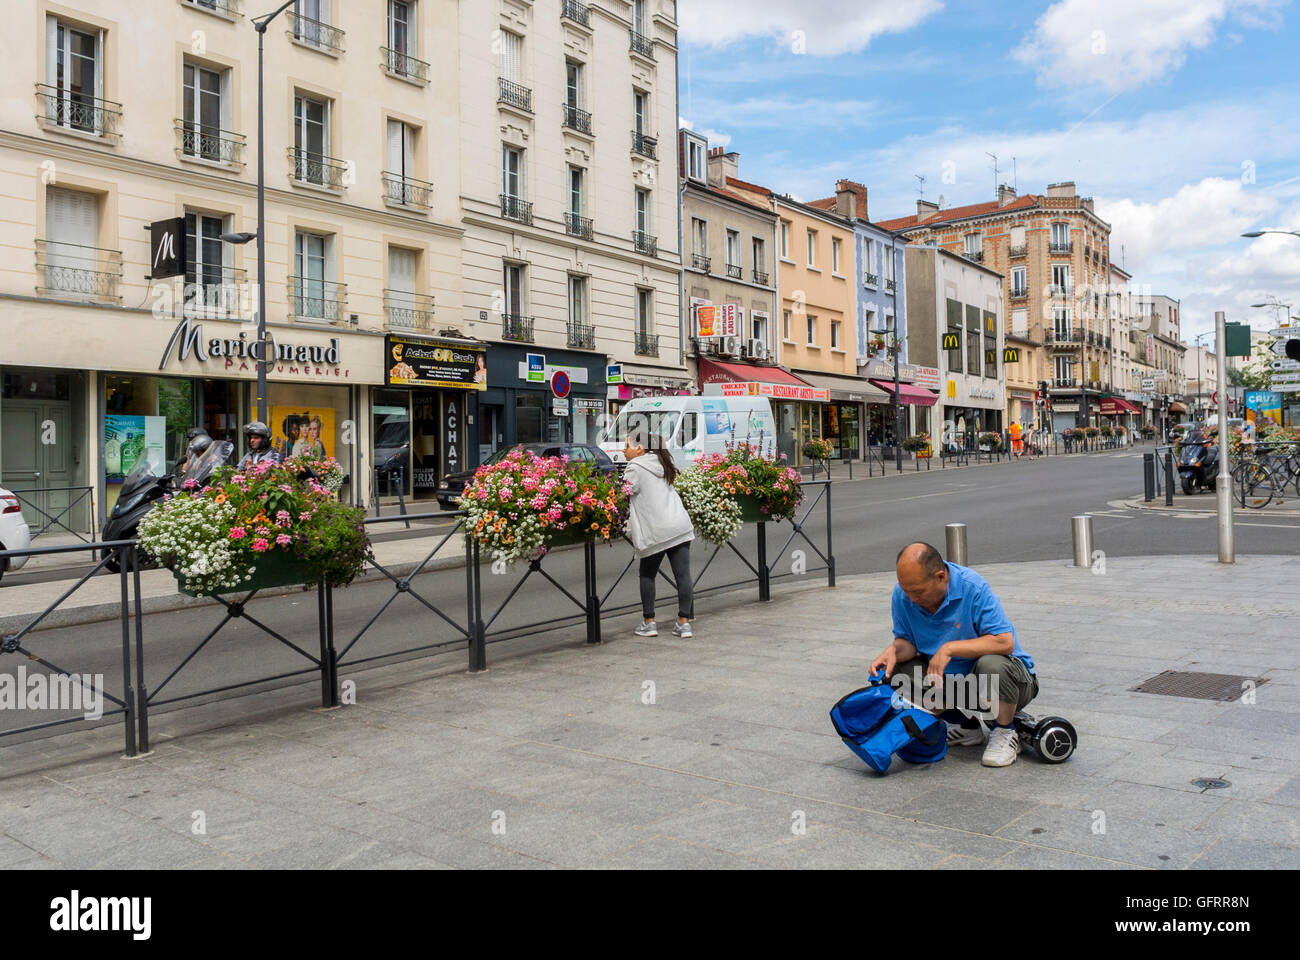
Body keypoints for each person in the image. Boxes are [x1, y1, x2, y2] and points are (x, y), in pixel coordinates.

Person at [869, 542, 1039, 767]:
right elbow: (907, 643)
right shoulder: (903, 595)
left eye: (918, 592)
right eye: (905, 590)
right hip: (955, 685)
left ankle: (1004, 732)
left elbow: (1004, 642)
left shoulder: (972, 586)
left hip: (1010, 684)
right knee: (896, 671)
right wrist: (892, 652)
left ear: (941, 577)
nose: (910, 598)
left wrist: (950, 648)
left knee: (992, 664)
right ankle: (965, 726)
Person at [623, 436, 695, 639]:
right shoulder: (663, 463)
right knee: (683, 575)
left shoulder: (634, 467)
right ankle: (684, 623)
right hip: (679, 525)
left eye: (626, 446)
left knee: (647, 574)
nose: (623, 450)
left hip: (656, 531)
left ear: (639, 449)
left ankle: (649, 622)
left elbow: (625, 491)